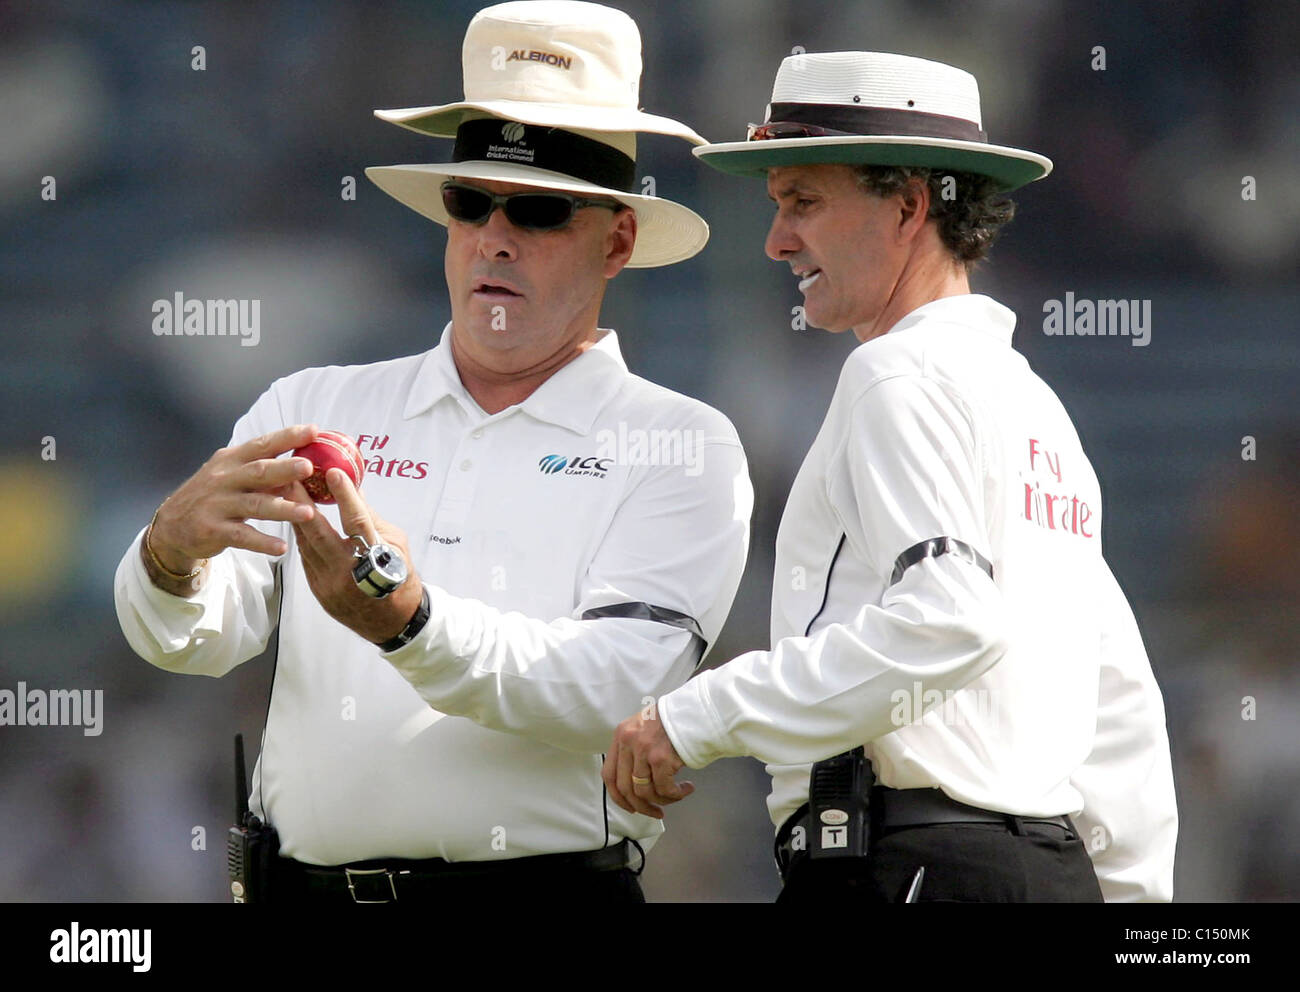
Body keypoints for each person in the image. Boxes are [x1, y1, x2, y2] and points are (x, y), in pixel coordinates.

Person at [113, 0, 751, 906]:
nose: (495, 235)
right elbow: (199, 641)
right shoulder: (311, 404)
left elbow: (613, 689)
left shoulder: (683, 444)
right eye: (471, 202)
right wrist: (168, 559)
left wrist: (410, 624)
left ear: (618, 239)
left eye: (538, 210)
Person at [604, 51, 1177, 903]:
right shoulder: (1037, 407)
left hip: (906, 867)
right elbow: (1120, 704)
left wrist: (693, 716)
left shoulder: (895, 375)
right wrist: (1136, 907)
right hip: (1044, 873)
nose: (776, 239)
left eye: (803, 201)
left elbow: (947, 621)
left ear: (911, 206)